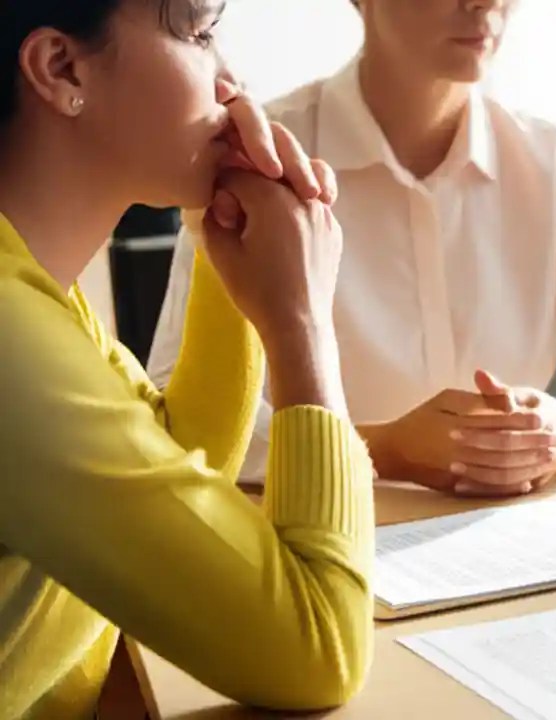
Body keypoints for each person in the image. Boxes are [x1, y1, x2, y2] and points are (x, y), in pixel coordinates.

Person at [148, 0, 556, 497]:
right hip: (330, 544)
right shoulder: (263, 157)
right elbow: (174, 420)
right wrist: (385, 447)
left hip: (508, 545)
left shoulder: (547, 160)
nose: (487, 4)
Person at [0, 1, 377, 716]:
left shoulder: (38, 293)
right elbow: (318, 650)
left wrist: (222, 240)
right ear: (60, 66)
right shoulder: (11, 340)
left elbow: (175, 467)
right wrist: (303, 327)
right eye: (200, 34)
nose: (231, 81)